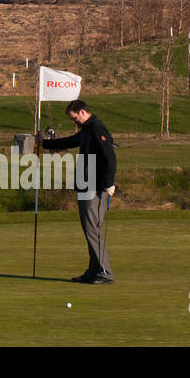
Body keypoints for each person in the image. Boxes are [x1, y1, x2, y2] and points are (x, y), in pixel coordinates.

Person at [39, 99, 117, 284]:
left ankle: (105, 273)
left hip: (95, 188)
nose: (73, 122)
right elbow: (72, 141)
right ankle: (93, 271)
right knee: (89, 230)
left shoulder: (98, 129)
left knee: (94, 230)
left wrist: (108, 184)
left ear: (82, 112)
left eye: (74, 118)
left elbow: (110, 158)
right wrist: (45, 144)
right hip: (84, 186)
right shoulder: (87, 130)